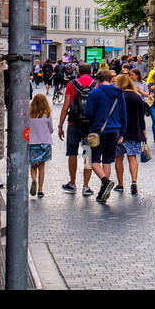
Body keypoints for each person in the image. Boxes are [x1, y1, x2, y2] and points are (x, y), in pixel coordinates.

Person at [84, 68, 127, 204]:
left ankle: (105, 181)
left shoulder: (95, 92)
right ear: (110, 79)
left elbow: (89, 112)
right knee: (107, 161)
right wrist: (122, 132)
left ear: (98, 80)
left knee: (94, 160)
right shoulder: (119, 93)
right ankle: (103, 192)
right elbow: (123, 114)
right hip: (115, 131)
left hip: (98, 130)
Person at [58, 62, 95, 196]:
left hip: (73, 123)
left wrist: (60, 126)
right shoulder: (95, 84)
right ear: (91, 72)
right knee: (88, 153)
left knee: (72, 153)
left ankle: (72, 183)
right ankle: (86, 186)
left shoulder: (71, 84)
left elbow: (66, 106)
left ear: (78, 72)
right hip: (90, 125)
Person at [113, 73, 149, 195]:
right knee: (132, 157)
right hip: (134, 131)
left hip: (119, 131)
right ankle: (134, 181)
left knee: (119, 158)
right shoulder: (137, 97)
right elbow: (141, 117)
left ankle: (120, 184)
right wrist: (143, 131)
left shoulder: (117, 96)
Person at [28, 93, 53, 198]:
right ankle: (40, 190)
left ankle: (34, 180)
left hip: (33, 143)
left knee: (33, 165)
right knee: (42, 167)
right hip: (45, 143)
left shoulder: (29, 115)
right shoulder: (47, 114)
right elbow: (51, 129)